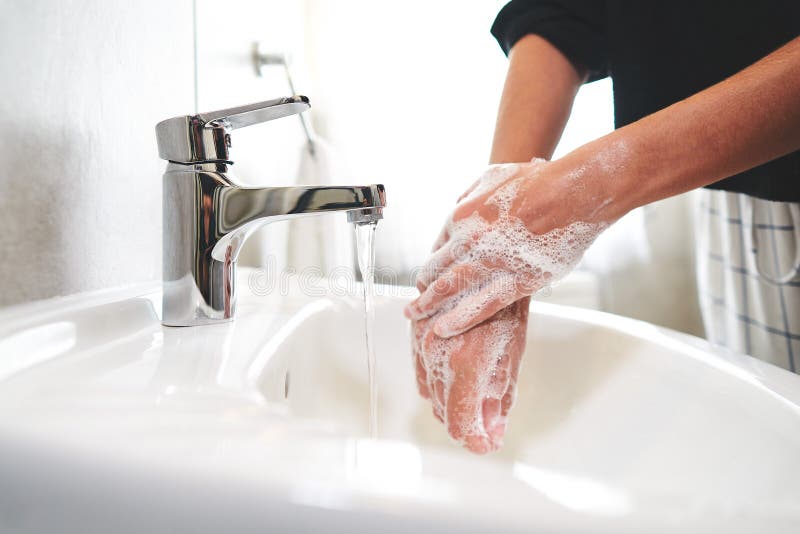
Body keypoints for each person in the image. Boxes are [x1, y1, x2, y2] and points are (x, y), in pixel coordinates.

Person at [405, 0, 800, 454]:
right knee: (771, 452)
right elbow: (563, 10)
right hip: (732, 197)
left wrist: (587, 188)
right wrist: (500, 224)